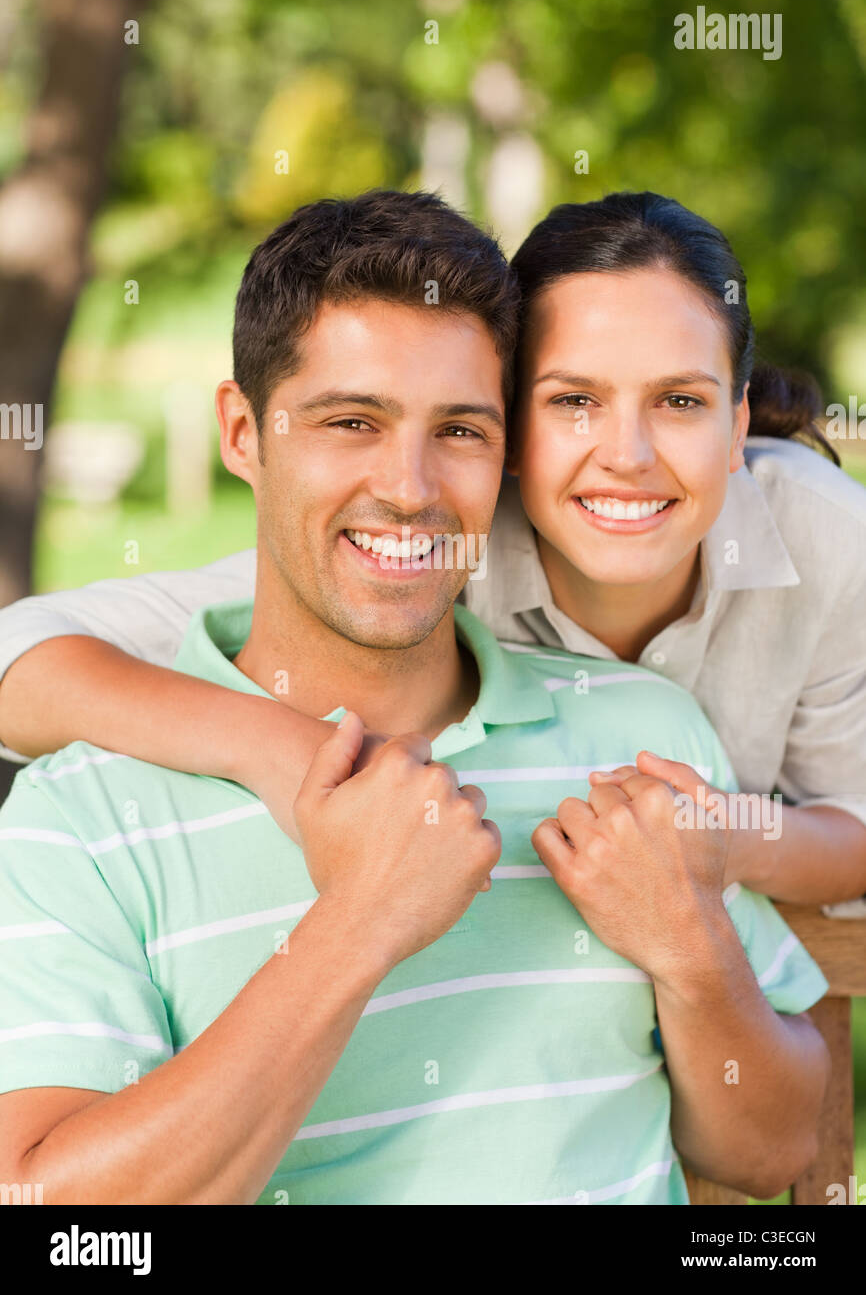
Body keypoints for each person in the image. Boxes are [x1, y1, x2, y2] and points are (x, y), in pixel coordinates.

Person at [0, 191, 829, 1204]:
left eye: (459, 430)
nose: (407, 485)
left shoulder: (644, 734)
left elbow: (769, 1153)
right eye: (351, 421)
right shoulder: (82, 817)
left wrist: (692, 953)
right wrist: (357, 925)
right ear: (242, 431)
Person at [1, 194, 864, 907]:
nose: (628, 454)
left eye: (680, 401)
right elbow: (21, 659)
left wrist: (728, 841)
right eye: (573, 401)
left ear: (737, 422)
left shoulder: (821, 535)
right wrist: (275, 747)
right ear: (510, 425)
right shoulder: (429, 547)